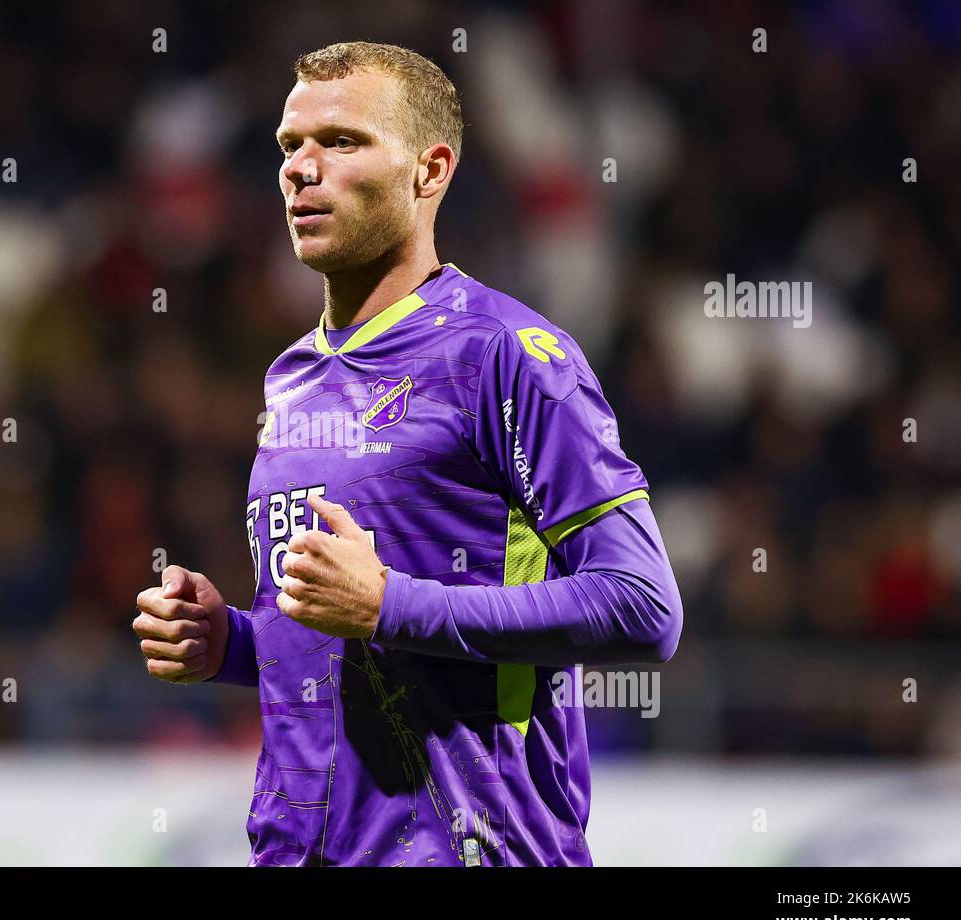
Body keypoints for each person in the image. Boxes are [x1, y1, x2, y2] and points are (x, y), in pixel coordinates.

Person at [133, 41, 682, 866]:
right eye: (290, 146)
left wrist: (392, 604)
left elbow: (644, 608)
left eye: (341, 142)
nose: (300, 170)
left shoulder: (509, 356)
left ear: (430, 171)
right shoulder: (292, 378)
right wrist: (232, 645)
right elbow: (335, 643)